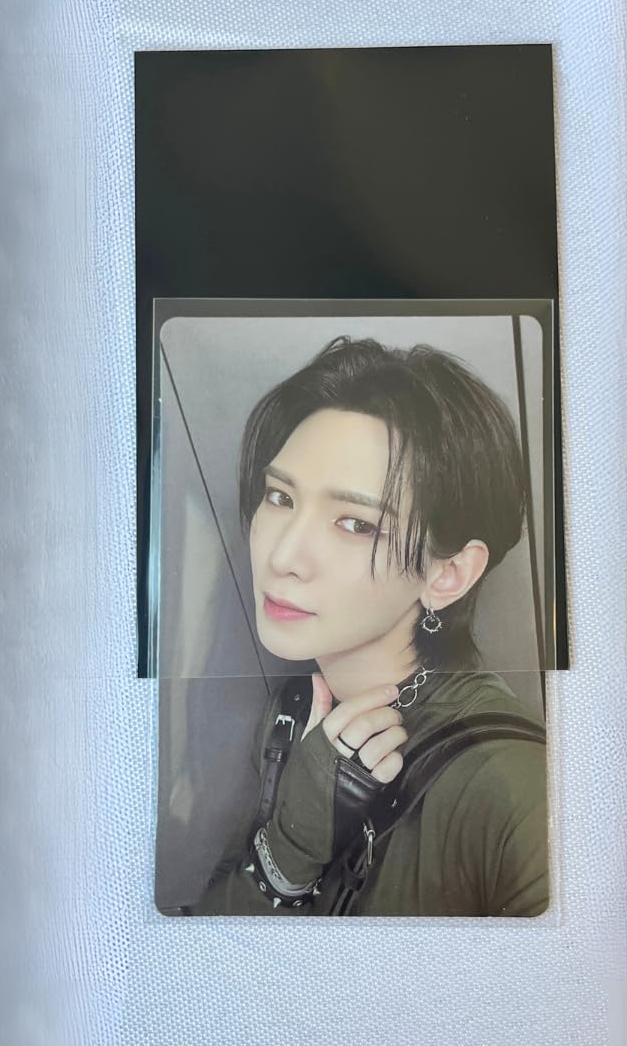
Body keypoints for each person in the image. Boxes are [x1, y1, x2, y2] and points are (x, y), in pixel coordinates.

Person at [194, 335, 548, 916]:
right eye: (280, 497)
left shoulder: (512, 783)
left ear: (448, 574)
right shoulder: (293, 712)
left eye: (356, 524)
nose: (283, 556)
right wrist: (288, 849)